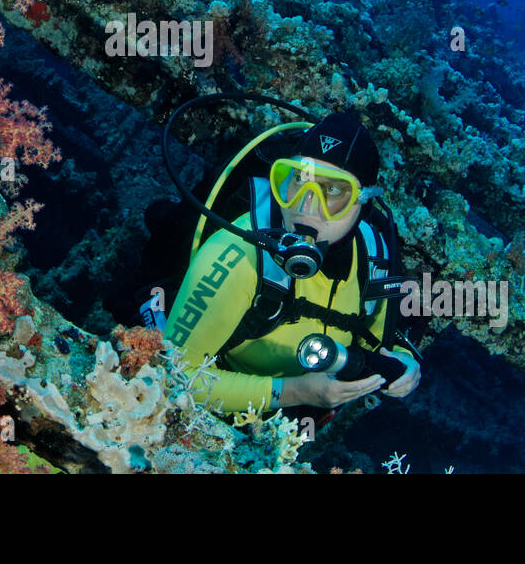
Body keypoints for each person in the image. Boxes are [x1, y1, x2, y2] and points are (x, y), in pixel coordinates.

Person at [163, 111, 421, 416]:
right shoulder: (237, 252)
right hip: (214, 416)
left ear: (362, 201)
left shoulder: (376, 254)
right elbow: (174, 378)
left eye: (334, 190)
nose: (306, 207)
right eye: (299, 179)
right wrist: (293, 392)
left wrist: (405, 362)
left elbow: (382, 340)